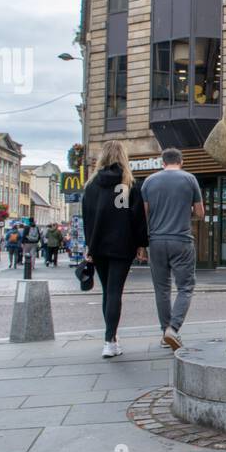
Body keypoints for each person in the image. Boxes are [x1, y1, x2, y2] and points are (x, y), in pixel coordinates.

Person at [81, 142, 148, 358]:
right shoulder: (128, 184)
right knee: (114, 291)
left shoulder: (91, 186)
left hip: (99, 245)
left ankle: (111, 338)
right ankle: (110, 340)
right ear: (123, 157)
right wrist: (141, 244)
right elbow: (137, 218)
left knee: (106, 291)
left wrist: (89, 246)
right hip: (122, 245)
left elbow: (87, 219)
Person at [141, 147, 204, 351]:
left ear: (162, 162)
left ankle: (164, 332)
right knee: (185, 286)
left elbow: (145, 215)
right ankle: (173, 329)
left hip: (156, 241)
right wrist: (187, 216)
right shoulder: (189, 179)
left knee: (162, 289)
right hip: (181, 239)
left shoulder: (149, 181)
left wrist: (142, 244)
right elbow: (200, 212)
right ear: (181, 161)